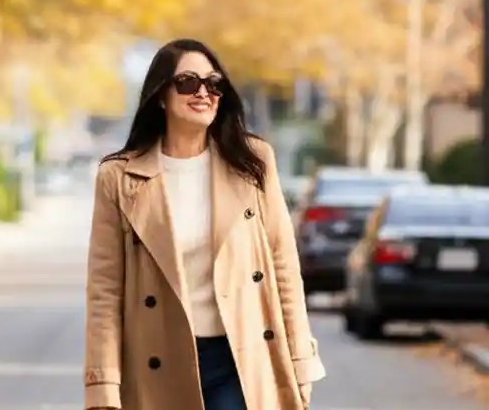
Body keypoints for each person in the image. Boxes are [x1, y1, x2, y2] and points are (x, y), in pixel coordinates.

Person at [83, 39, 325, 410]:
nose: (203, 92)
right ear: (161, 95)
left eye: (214, 84)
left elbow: (284, 268)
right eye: (187, 82)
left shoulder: (252, 162)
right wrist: (103, 386)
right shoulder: (119, 177)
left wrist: (300, 361)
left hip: (240, 357)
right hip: (157, 361)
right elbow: (105, 293)